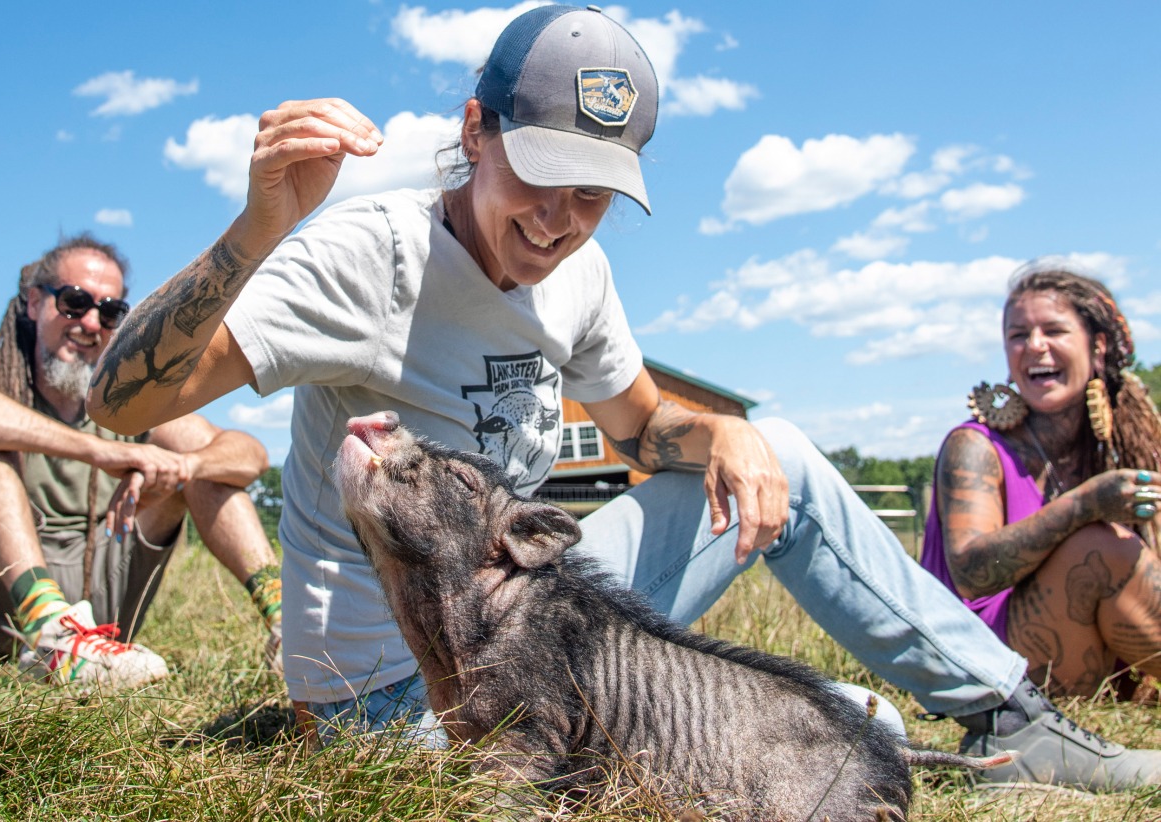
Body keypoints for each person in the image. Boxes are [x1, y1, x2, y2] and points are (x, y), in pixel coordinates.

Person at [85, 5, 1160, 789]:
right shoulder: (380, 255)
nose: (558, 219)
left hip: (544, 626)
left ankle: (999, 718)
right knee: (832, 727)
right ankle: (900, 727)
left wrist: (725, 431)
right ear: (475, 132)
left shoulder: (578, 274)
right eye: (538, 174)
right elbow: (125, 407)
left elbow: (643, 425)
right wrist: (261, 225)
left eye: (593, 192)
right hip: (397, 697)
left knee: (772, 443)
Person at [0, 234, 284, 689]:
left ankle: (288, 624)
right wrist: (103, 450)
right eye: (74, 302)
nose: (92, 322)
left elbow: (249, 454)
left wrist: (186, 467)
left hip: (99, 592)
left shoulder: (121, 400)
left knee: (207, 464)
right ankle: (51, 630)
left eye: (110, 312)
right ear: (35, 303)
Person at [922, 259, 1161, 699]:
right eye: (1018, 335)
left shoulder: (1112, 447)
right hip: (985, 659)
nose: (1034, 345)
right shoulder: (975, 447)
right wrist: (1084, 505)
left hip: (1090, 652)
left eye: (1053, 330)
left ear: (1098, 347)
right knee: (1099, 547)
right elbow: (972, 574)